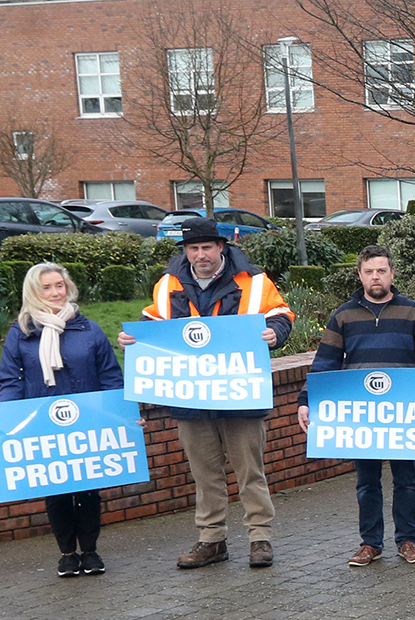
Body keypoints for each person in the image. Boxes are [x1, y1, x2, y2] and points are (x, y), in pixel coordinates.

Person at [121, 216, 293, 569]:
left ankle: (260, 538)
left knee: (250, 471)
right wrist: (135, 338)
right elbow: (154, 322)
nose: (200, 255)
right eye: (193, 248)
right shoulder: (169, 283)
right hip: (191, 396)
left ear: (221, 247)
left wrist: (276, 331)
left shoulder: (254, 281)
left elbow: (280, 313)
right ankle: (211, 541)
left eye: (206, 247)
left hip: (239, 392)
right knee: (204, 474)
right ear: (186, 251)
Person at [297, 245, 415, 566]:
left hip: (403, 410)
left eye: (381, 270)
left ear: (392, 273)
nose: (375, 277)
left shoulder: (412, 312)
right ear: (360, 274)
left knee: (406, 481)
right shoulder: (343, 315)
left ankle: (407, 541)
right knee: (366, 483)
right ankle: (370, 543)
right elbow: (325, 362)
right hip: (362, 413)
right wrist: (307, 401)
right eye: (369, 271)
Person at [0, 263, 125, 577]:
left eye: (59, 286)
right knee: (56, 490)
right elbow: (10, 381)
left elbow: (110, 377)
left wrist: (123, 416)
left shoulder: (88, 329)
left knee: (89, 489)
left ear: (68, 288)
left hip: (88, 418)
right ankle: (67, 553)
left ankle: (90, 551)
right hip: (43, 422)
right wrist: (4, 424)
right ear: (34, 293)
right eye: (46, 288)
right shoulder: (22, 332)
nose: (55, 293)